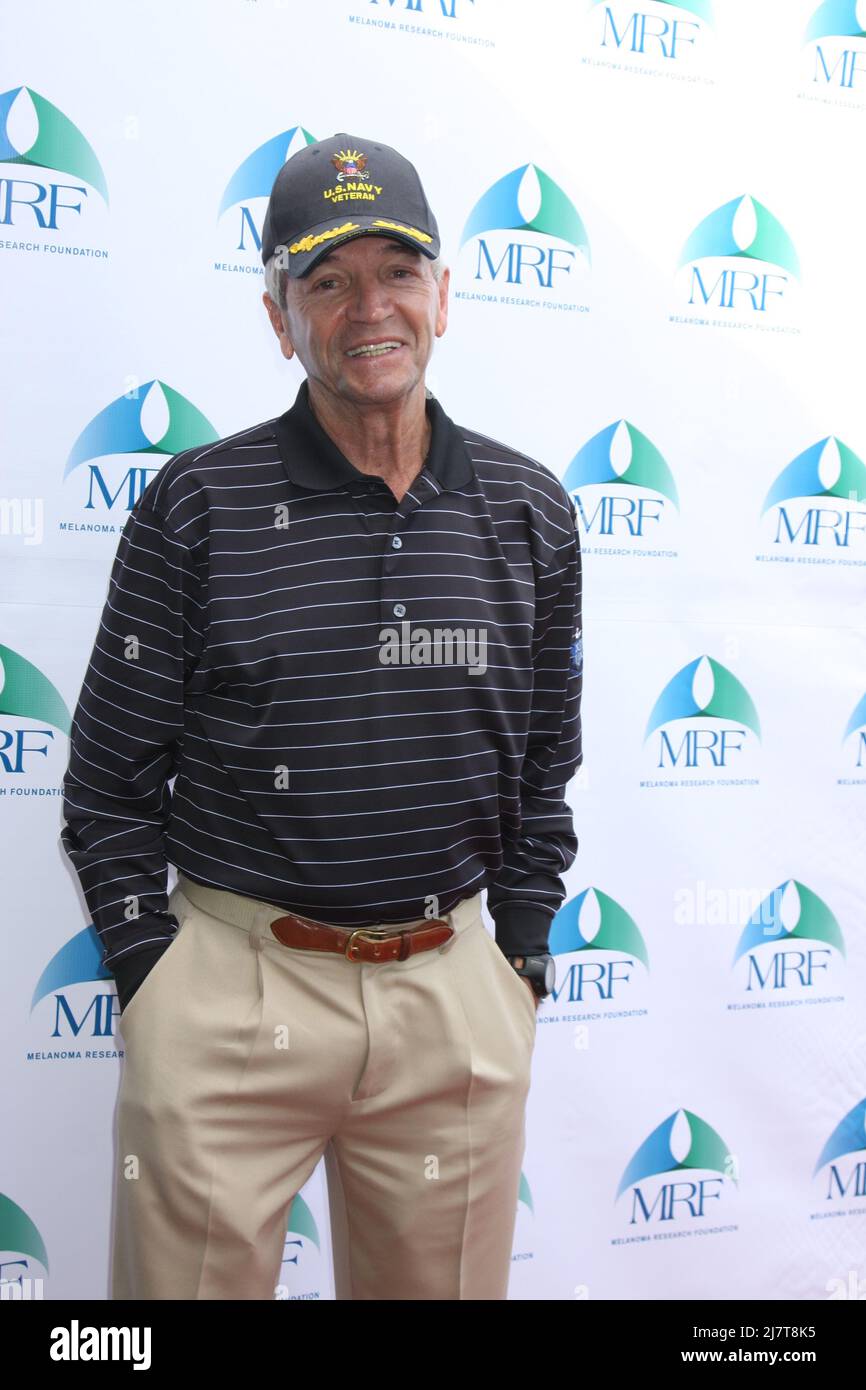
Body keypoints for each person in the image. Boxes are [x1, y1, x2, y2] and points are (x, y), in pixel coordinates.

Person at [59, 132, 583, 1300]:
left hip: (450, 995)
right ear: (277, 315)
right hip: (233, 992)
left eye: (396, 271)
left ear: (443, 295)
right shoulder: (196, 506)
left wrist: (519, 961)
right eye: (326, 280)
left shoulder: (532, 511)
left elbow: (545, 763)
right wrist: (155, 979)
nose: (367, 308)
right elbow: (106, 786)